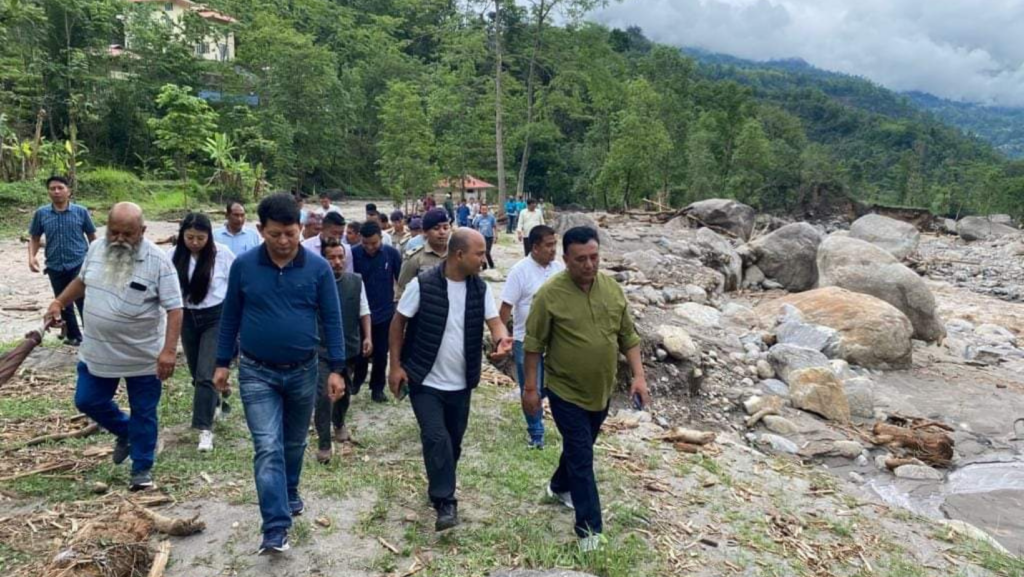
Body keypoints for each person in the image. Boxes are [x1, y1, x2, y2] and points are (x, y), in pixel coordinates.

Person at [213, 193, 346, 555]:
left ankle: (289, 490)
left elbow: (333, 320)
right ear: (261, 231)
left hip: (304, 370)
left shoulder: (318, 269)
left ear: (301, 229)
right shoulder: (244, 266)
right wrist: (222, 362)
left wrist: (337, 368)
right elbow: (230, 318)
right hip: (257, 371)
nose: (284, 242)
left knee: (292, 443)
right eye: (275, 235)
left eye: (290, 233)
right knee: (267, 446)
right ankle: (275, 526)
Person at [522, 226, 650, 552]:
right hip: (565, 390)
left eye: (594, 257)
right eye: (581, 259)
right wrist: (531, 390)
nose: (589, 265)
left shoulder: (611, 289)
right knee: (583, 456)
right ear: (565, 259)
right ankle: (590, 533)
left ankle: (557, 485)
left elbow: (628, 337)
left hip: (601, 391)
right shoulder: (549, 295)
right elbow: (534, 345)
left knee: (580, 448)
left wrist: (638, 376)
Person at [44, 203, 183, 491]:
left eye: (128, 233)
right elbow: (82, 281)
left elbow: (175, 309)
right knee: (87, 400)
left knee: (144, 411)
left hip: (143, 356)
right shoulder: (96, 250)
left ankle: (142, 470)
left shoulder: (158, 262)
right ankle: (126, 431)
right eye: (114, 232)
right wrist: (59, 302)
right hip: (98, 352)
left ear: (142, 231)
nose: (119, 239)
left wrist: (169, 351)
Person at [388, 228, 513, 531]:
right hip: (424, 379)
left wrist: (501, 339)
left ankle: (441, 482)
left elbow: (494, 321)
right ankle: (445, 501)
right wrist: (395, 366)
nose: (484, 260)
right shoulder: (423, 285)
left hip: (461, 382)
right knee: (436, 437)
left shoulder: (479, 289)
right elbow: (398, 323)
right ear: (459, 255)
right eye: (479, 253)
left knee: (452, 443)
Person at [171, 213, 235, 452]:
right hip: (186, 317)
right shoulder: (173, 256)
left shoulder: (223, 254)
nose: (195, 242)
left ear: (209, 236)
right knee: (196, 372)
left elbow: (236, 284)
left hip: (215, 317)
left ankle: (204, 429)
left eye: (200, 238)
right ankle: (216, 400)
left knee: (206, 373)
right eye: (190, 237)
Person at [499, 225, 563, 449]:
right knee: (531, 388)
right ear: (535, 247)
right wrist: (501, 337)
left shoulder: (558, 269)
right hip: (525, 341)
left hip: (556, 342)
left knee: (555, 388)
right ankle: (536, 434)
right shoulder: (520, 271)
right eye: (548, 245)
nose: (553, 249)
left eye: (555, 244)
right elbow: (506, 307)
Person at [315, 240, 372, 464]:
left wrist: (367, 336)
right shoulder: (315, 283)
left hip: (349, 346)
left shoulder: (355, 281)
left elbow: (364, 310)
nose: (337, 262)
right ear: (323, 259)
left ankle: (339, 422)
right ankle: (324, 444)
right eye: (332, 258)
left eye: (341, 257)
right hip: (320, 348)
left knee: (345, 392)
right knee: (323, 395)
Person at [28, 175, 97, 347]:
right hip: (55, 265)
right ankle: (74, 336)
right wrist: (31, 257)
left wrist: (95, 258)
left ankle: (92, 338)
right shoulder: (41, 214)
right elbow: (35, 237)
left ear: (69, 191)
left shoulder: (81, 212)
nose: (56, 192)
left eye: (60, 188)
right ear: (48, 192)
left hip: (79, 263)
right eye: (53, 189)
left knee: (83, 301)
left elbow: (92, 236)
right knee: (62, 302)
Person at [351, 221, 402, 403]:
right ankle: (356, 381)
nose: (370, 247)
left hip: (384, 313)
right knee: (359, 352)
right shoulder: (354, 254)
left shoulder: (391, 254)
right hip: (360, 313)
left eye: (374, 243)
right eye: (365, 243)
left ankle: (377, 388)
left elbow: (401, 280)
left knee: (381, 353)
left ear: (381, 238)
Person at [397, 208, 450, 295]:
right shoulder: (415, 258)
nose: (442, 232)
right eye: (436, 228)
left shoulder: (456, 255)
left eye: (446, 227)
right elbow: (402, 289)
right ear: (425, 232)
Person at [471, 203, 498, 270]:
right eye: (483, 209)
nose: (484, 211)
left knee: (487, 252)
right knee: (482, 252)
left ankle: (491, 265)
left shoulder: (491, 218)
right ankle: (484, 266)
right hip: (481, 238)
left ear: (487, 210)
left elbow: (495, 227)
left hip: (489, 237)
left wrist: (496, 236)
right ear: (480, 210)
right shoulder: (478, 218)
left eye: (485, 209)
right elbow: (476, 228)